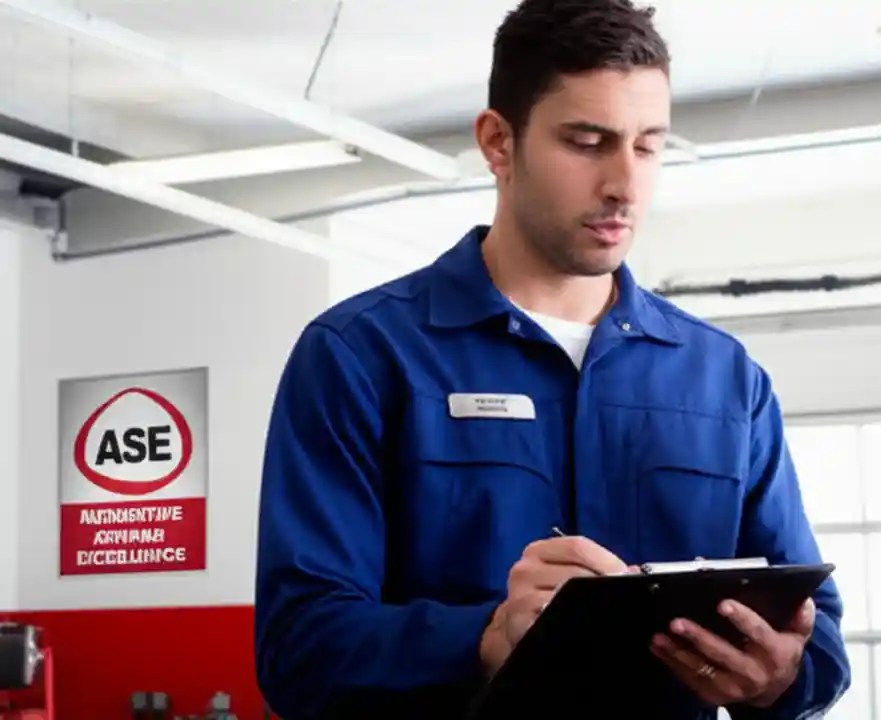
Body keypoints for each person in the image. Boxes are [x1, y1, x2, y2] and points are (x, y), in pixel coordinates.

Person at [253, 1, 850, 717]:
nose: (624, 185)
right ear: (498, 143)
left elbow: (818, 640)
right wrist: (482, 635)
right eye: (588, 142)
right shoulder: (361, 357)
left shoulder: (725, 380)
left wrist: (781, 676)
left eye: (648, 146)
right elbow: (298, 649)